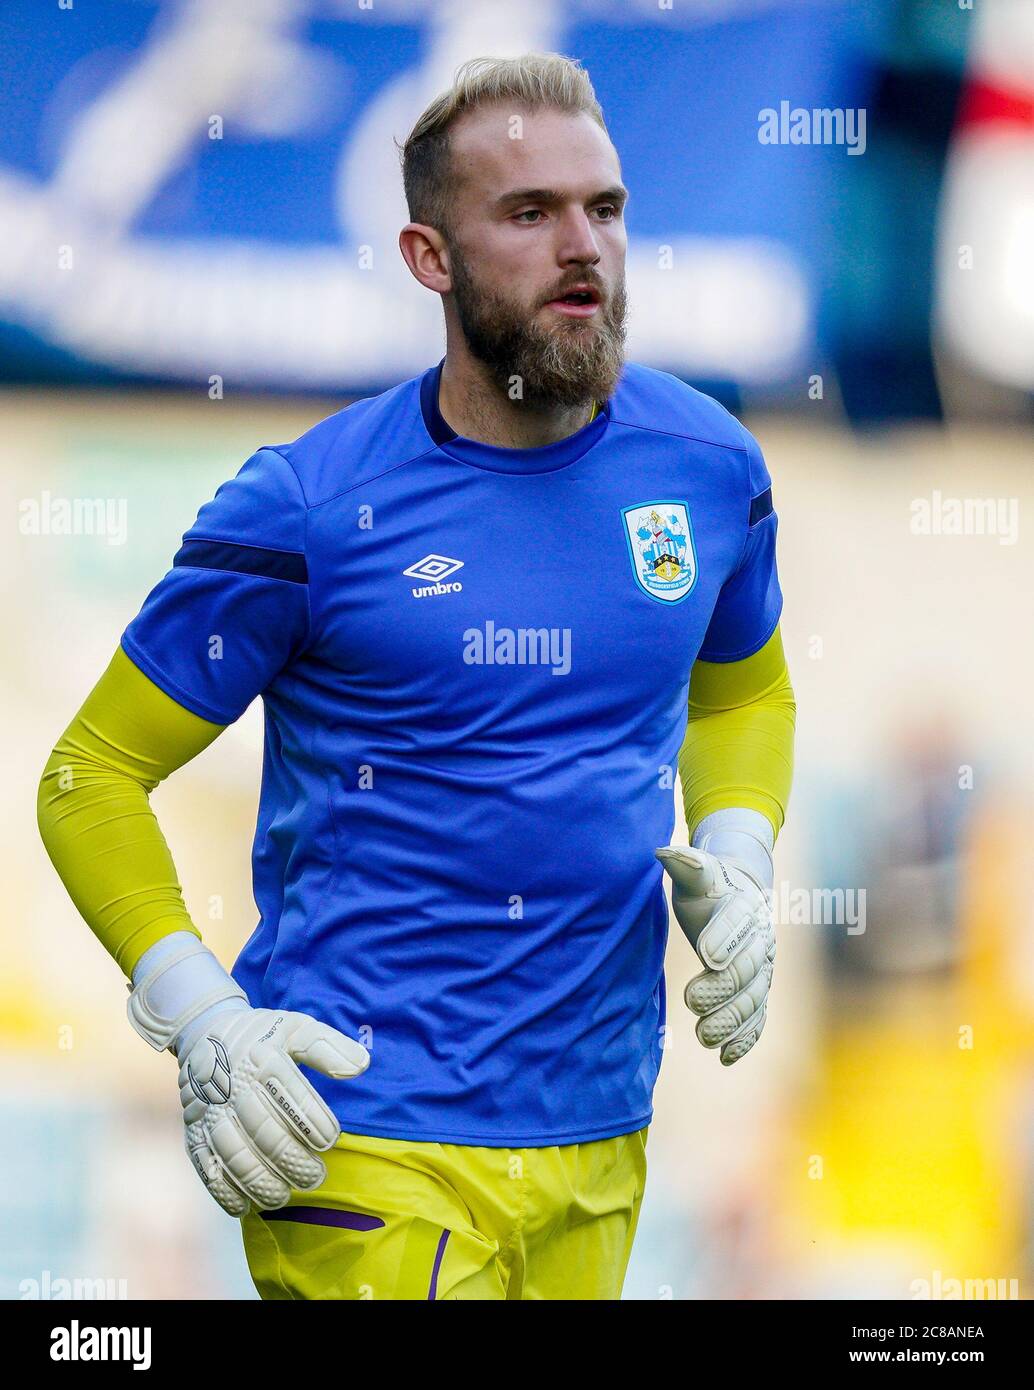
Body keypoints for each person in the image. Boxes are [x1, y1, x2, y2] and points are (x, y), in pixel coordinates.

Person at [38, 52, 795, 1301]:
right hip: (361, 1135)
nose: (582, 249)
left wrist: (743, 858)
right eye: (527, 213)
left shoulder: (708, 465)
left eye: (602, 209)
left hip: (600, 1123)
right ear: (426, 258)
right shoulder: (308, 508)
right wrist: (203, 1016)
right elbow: (88, 775)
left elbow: (740, 690)